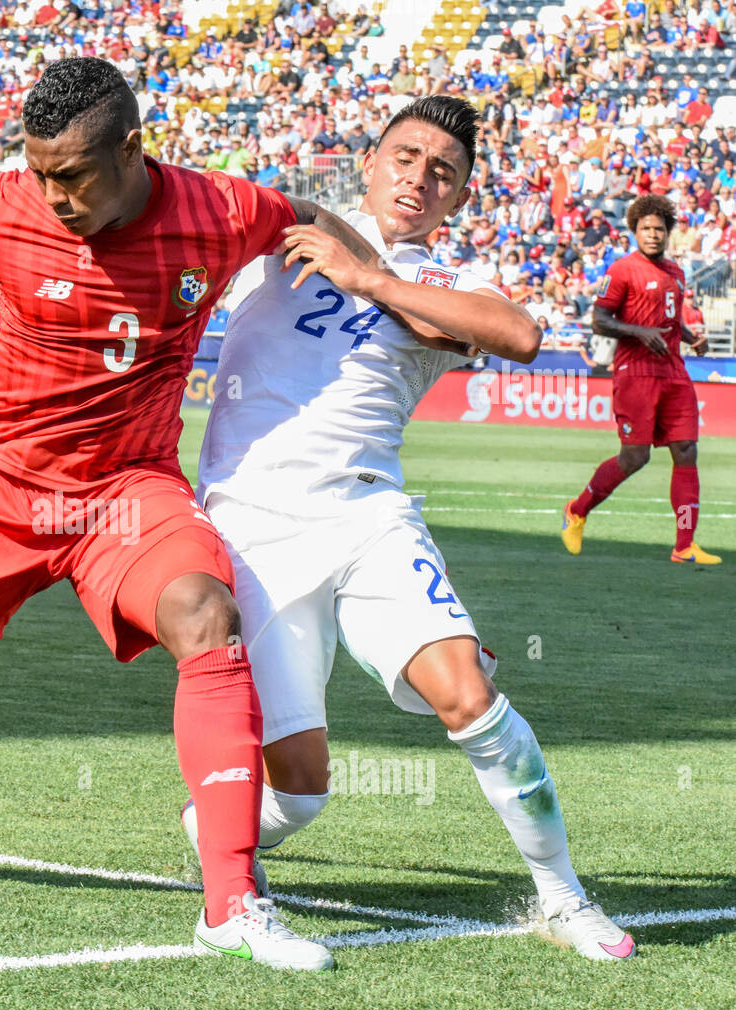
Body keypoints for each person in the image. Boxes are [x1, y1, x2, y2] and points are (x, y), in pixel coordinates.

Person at [0, 57, 445, 972]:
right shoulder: (5, 207)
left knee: (205, 615)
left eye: (71, 175)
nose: (53, 194)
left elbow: (303, 216)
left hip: (126, 492)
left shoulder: (219, 209)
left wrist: (374, 281)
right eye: (39, 172)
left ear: (132, 151)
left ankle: (232, 903)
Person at [184, 96, 636, 963]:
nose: (419, 179)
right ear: (369, 161)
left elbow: (521, 335)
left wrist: (371, 280)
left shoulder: (452, 280)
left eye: (443, 173)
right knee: (301, 794)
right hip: (254, 524)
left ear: (458, 198)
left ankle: (564, 899)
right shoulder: (287, 230)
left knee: (470, 697)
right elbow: (203, 222)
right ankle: (215, 828)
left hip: (370, 515)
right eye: (405, 157)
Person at [562, 194, 718, 564]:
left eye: (659, 229)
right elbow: (600, 320)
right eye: (646, 228)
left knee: (686, 450)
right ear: (635, 231)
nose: (652, 234)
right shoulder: (622, 270)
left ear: (667, 232)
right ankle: (577, 510)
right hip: (636, 373)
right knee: (635, 456)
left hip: (674, 371)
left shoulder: (676, 272)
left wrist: (691, 338)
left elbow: (670, 320)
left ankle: (684, 545)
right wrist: (638, 332)